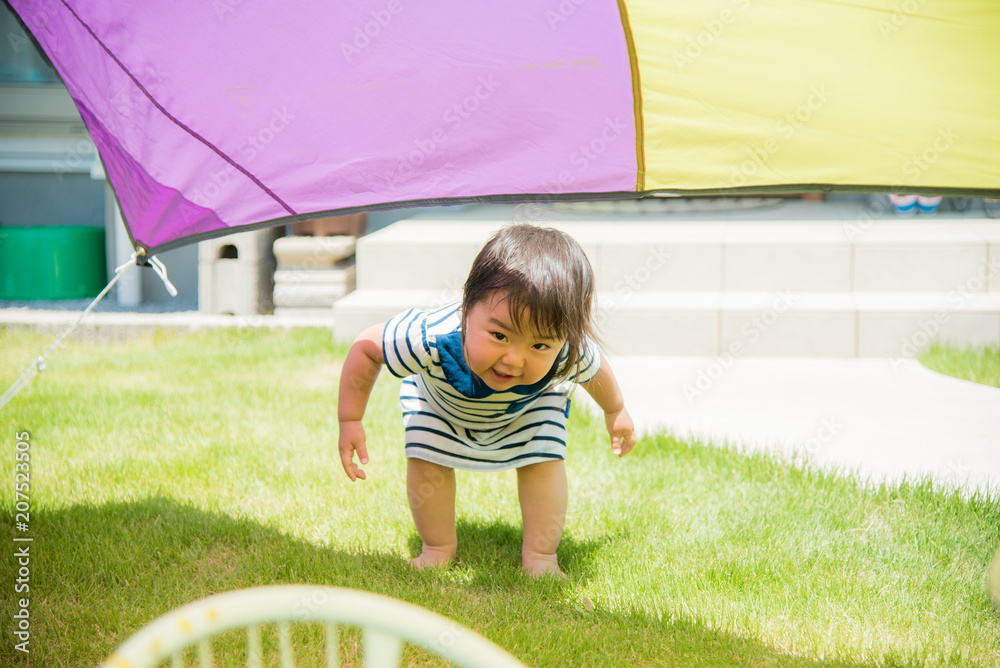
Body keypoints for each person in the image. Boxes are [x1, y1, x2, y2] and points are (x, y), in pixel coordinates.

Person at [337, 223, 636, 577]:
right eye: (499, 335)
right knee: (427, 457)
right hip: (441, 406)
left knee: (544, 460)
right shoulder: (429, 335)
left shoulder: (568, 350)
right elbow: (367, 349)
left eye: (539, 345)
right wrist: (350, 419)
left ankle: (541, 556)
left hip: (527, 413)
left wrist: (615, 411)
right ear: (466, 308)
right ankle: (437, 546)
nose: (514, 359)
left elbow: (595, 370)